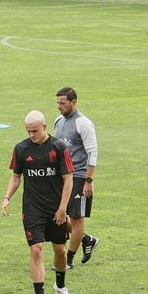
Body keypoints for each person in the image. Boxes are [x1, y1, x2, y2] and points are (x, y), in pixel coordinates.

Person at [3, 111, 75, 294]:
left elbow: (68, 179)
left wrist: (62, 209)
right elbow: (16, 176)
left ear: (44, 126)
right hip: (32, 209)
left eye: (35, 131)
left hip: (55, 209)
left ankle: (60, 286)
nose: (32, 135)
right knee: (36, 249)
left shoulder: (58, 147)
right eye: (28, 132)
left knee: (60, 250)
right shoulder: (21, 148)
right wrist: (7, 197)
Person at [54, 87, 99, 268]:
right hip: (61, 176)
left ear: (74, 102)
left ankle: (69, 260)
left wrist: (89, 180)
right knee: (58, 212)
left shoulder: (84, 123)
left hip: (79, 175)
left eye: (62, 103)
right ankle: (87, 239)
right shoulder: (58, 121)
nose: (59, 106)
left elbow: (92, 152)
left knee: (76, 217)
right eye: (57, 103)